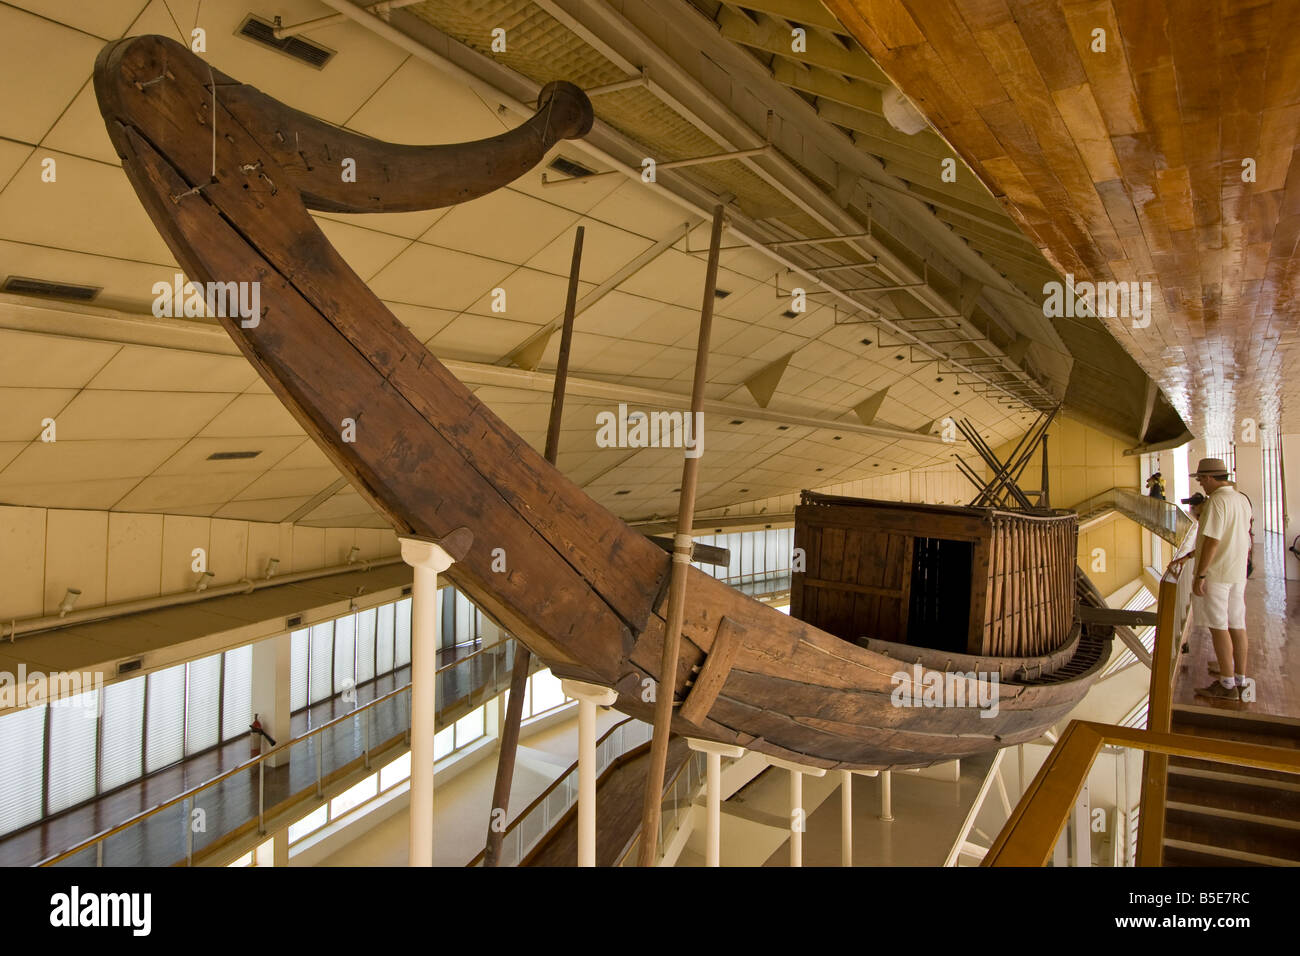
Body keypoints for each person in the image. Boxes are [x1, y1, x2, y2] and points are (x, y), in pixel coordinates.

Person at [1185, 459, 1254, 702]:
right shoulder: (1240, 499)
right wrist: (1192, 554)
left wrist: (1201, 574)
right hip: (1237, 573)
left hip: (1217, 574)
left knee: (1218, 626)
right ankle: (1240, 679)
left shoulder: (1216, 502)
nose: (1201, 484)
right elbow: (1233, 536)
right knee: (1237, 623)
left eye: (1202, 479)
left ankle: (1226, 685)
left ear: (1212, 478)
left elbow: (1213, 541)